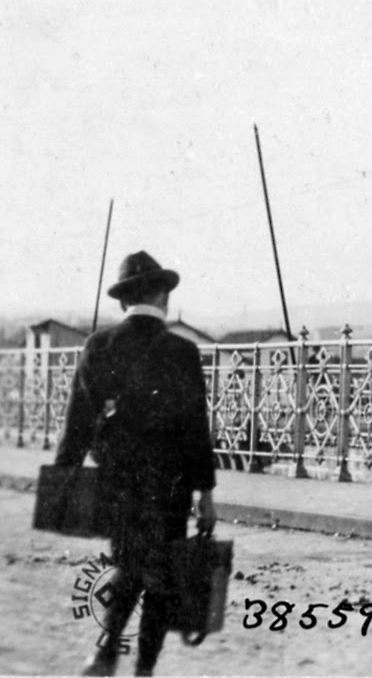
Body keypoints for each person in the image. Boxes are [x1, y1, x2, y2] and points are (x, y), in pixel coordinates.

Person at [55, 251, 217, 677]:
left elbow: (77, 421)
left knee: (128, 563)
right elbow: (196, 427)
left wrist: (63, 478)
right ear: (163, 296)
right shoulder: (181, 351)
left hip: (118, 478)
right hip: (171, 483)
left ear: (124, 301)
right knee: (162, 574)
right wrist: (206, 493)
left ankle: (106, 653)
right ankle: (144, 670)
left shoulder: (99, 345)